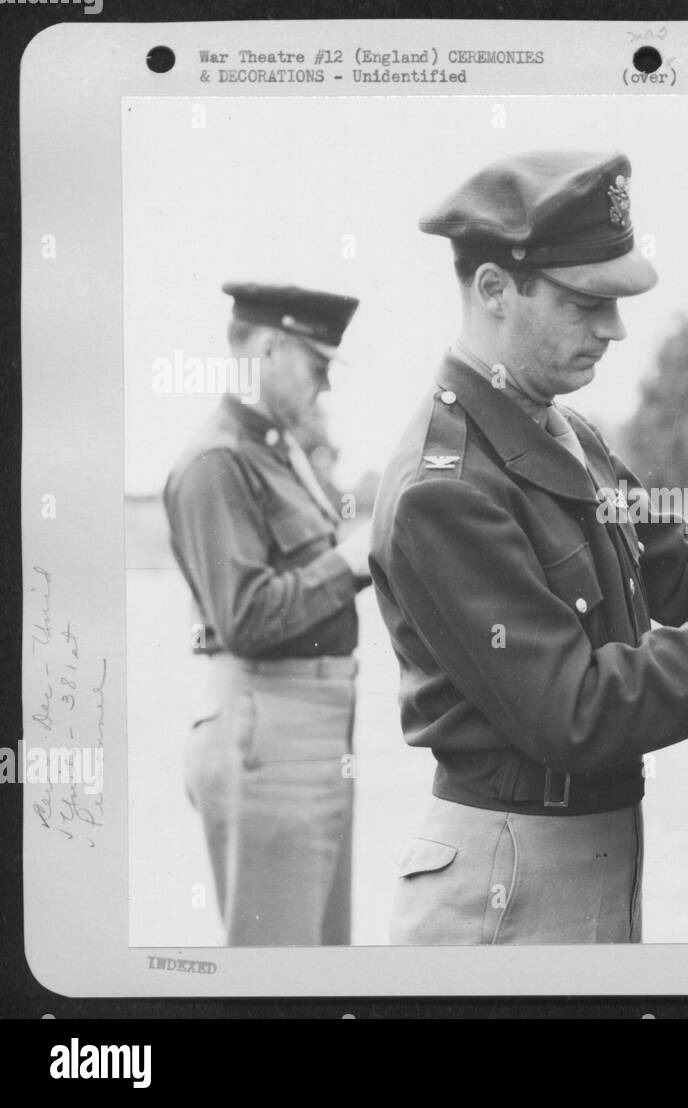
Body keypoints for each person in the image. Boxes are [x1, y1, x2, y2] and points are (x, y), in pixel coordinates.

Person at [370, 150, 688, 945]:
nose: (614, 329)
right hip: (510, 872)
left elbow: (672, 571)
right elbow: (574, 711)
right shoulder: (444, 488)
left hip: (574, 854)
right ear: (494, 289)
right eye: (586, 303)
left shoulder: (564, 431)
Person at [164, 283, 374, 945]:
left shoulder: (277, 452)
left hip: (305, 732)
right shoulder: (218, 461)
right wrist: (351, 561)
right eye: (317, 365)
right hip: (267, 732)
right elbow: (247, 618)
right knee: (277, 970)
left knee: (318, 967)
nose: (326, 385)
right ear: (270, 347)